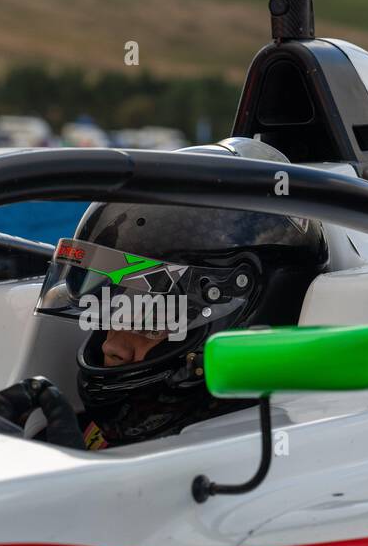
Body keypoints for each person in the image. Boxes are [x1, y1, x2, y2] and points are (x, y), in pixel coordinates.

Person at [35, 138, 328, 448]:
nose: (111, 346)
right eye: (109, 313)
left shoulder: (271, 460)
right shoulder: (79, 433)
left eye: (147, 324)